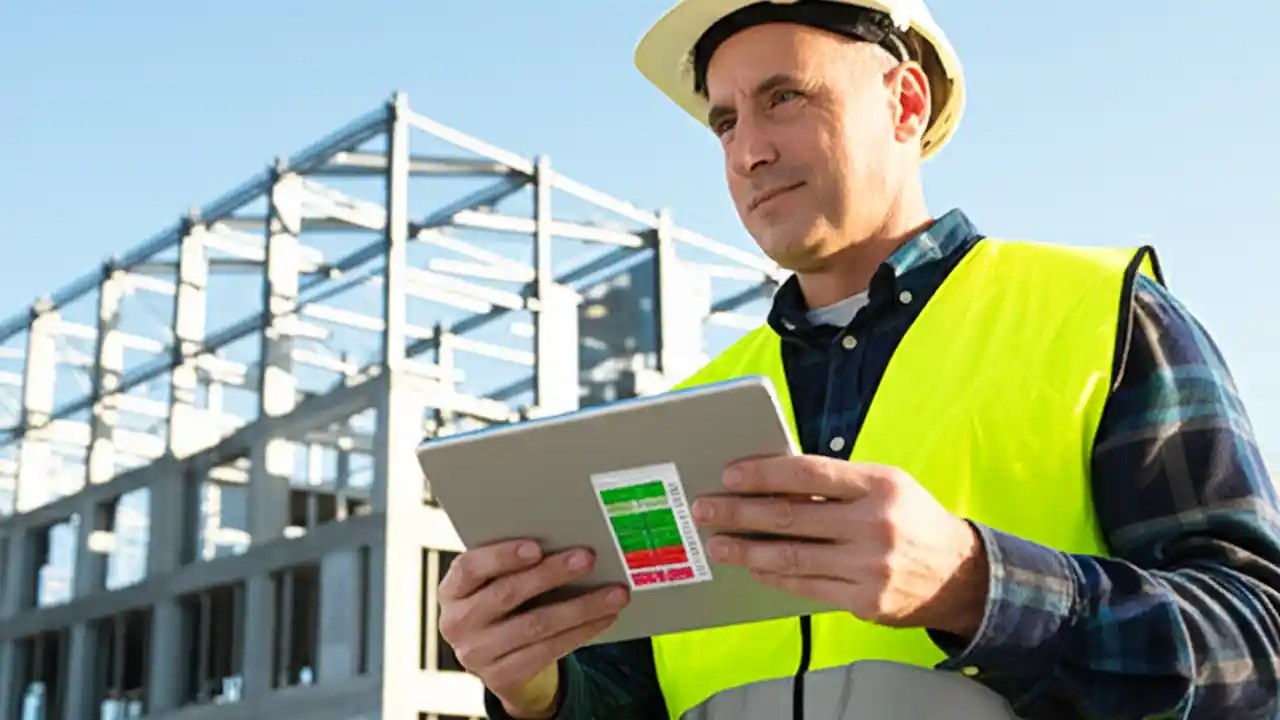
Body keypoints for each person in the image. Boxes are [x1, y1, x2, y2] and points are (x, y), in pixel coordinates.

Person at [436, 1, 1280, 718]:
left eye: (785, 97)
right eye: (725, 120)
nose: (745, 152)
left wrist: (974, 586)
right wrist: (539, 690)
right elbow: (640, 697)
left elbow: (1258, 645)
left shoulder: (1097, 315)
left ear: (904, 102)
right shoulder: (694, 402)